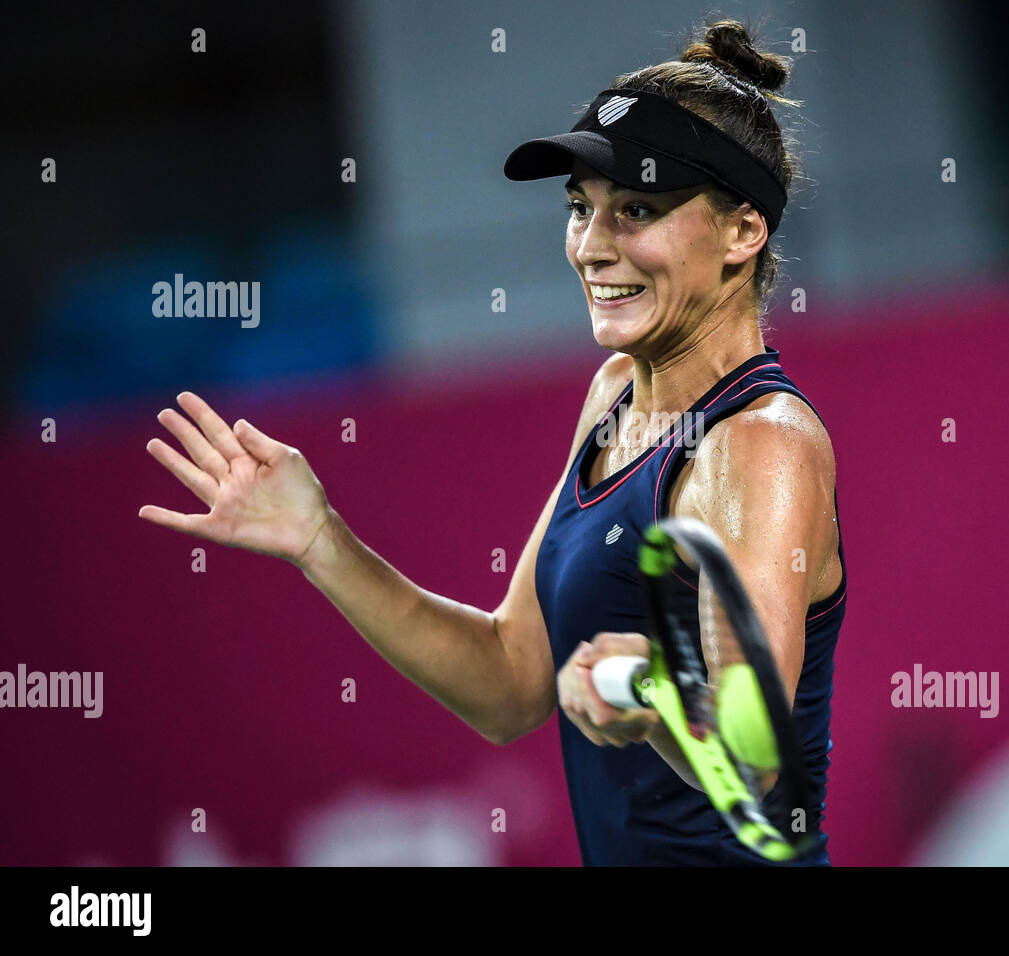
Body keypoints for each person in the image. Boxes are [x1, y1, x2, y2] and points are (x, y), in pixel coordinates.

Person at [138, 18, 846, 866]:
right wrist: (321, 541)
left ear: (742, 233)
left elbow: (755, 748)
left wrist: (652, 692)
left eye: (637, 212)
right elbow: (509, 681)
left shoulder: (760, 443)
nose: (591, 247)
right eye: (580, 208)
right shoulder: (616, 396)